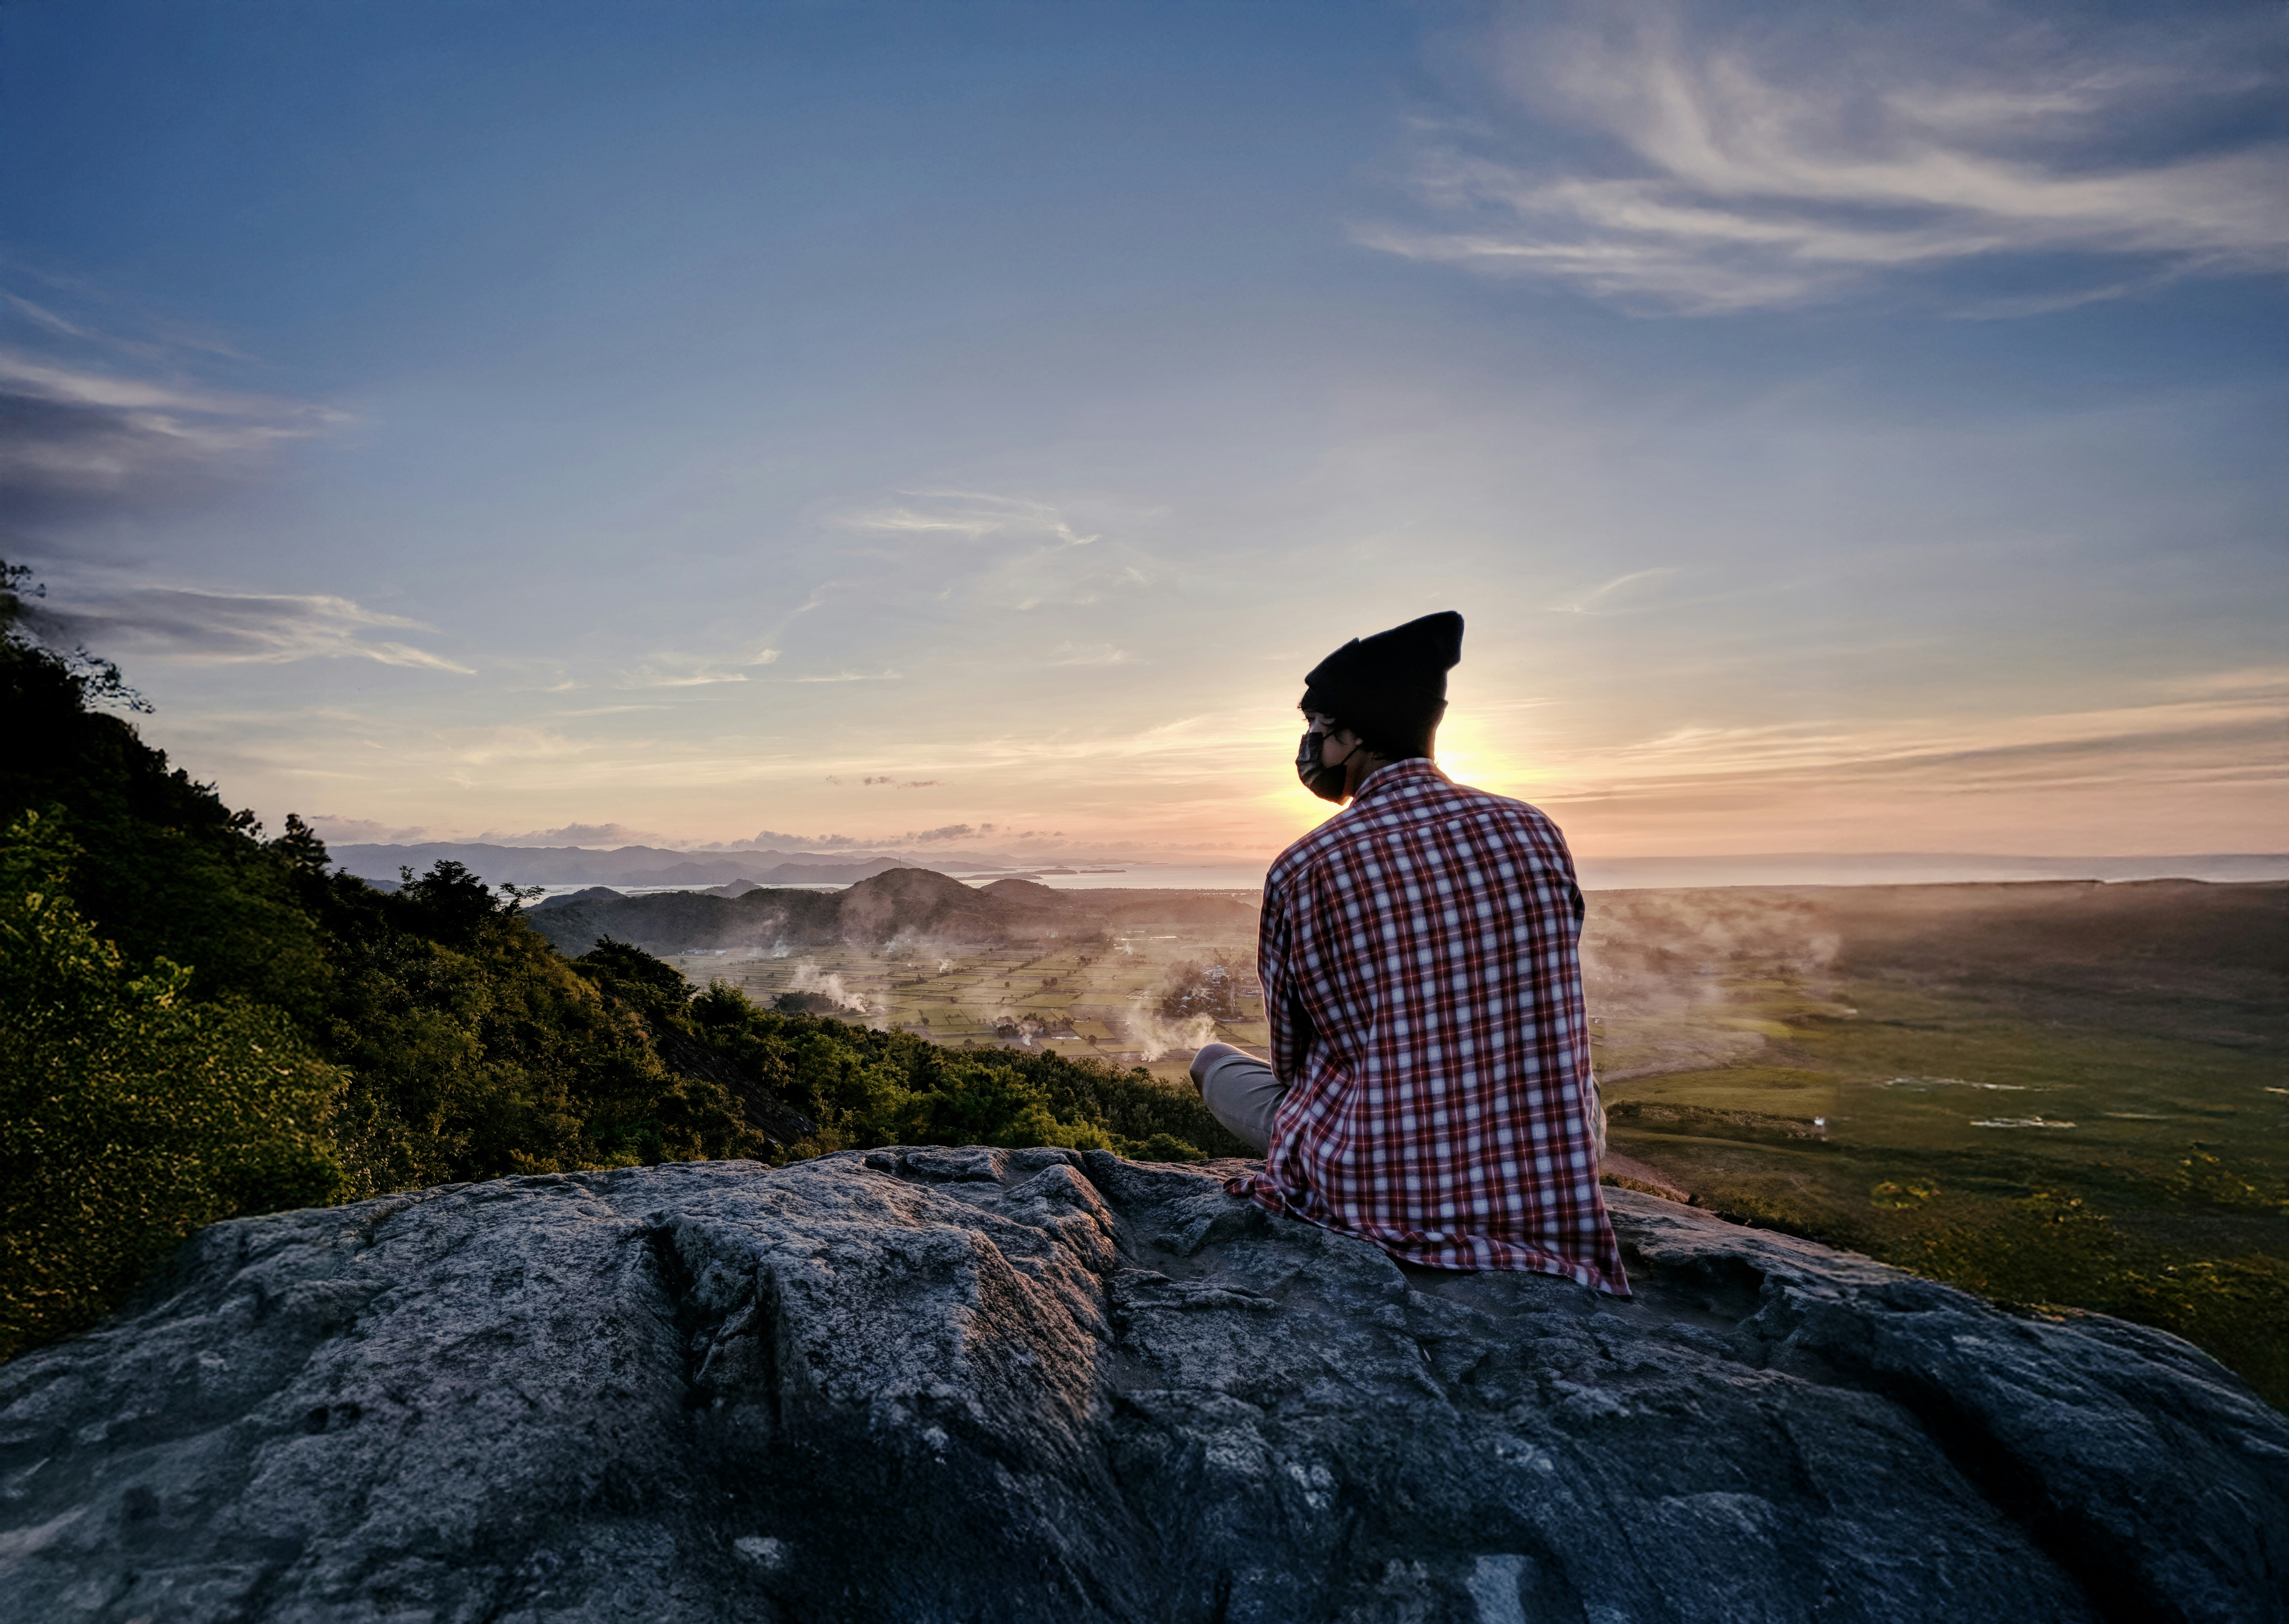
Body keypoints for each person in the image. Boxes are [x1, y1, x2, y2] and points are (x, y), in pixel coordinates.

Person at [1191, 611, 1628, 1296]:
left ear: (1355, 735)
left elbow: (1293, 1060)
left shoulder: (1306, 865)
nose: (1307, 745)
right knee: (1583, 1087)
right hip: (1541, 1172)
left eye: (1317, 728)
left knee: (1212, 1061)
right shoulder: (1535, 831)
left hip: (1376, 1179)